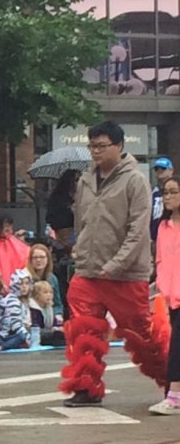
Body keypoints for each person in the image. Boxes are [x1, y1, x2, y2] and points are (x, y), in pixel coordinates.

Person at [60, 121, 167, 408]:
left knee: (141, 334)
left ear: (118, 146)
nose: (95, 152)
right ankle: (86, 387)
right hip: (88, 271)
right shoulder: (85, 180)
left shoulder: (135, 180)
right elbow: (80, 221)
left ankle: (173, 380)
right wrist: (79, 251)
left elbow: (138, 228)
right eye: (91, 146)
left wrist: (118, 263)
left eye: (101, 146)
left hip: (125, 275)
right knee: (84, 331)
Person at [150, 175, 180, 415]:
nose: (168, 197)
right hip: (172, 296)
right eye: (165, 192)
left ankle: (174, 396)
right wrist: (161, 284)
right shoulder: (163, 226)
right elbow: (160, 259)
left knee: (178, 345)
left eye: (173, 192)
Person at [25, 242, 63, 314]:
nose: (38, 260)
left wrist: (58, 315)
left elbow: (58, 304)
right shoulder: (25, 277)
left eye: (42, 257)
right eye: (35, 257)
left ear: (48, 259)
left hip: (49, 316)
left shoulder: (52, 278)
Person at [29, 280, 65, 347]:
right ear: (36, 295)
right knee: (57, 337)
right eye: (45, 292)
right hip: (37, 335)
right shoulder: (33, 310)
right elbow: (35, 328)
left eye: (51, 292)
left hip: (48, 333)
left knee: (62, 334)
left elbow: (54, 322)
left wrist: (57, 326)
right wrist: (51, 331)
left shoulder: (49, 307)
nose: (49, 295)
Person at [150, 157, 174, 242]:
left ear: (171, 170)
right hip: (155, 238)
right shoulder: (152, 193)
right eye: (156, 169)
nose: (159, 170)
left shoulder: (177, 191)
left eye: (163, 168)